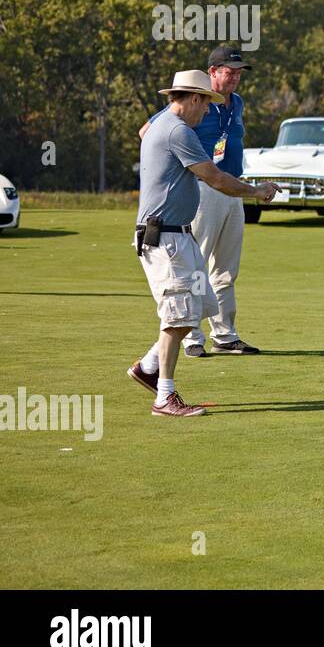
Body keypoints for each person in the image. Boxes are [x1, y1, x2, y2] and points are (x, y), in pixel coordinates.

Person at [127, 70, 279, 417]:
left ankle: (149, 366)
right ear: (193, 98)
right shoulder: (178, 130)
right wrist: (256, 191)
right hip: (164, 238)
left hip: (177, 234)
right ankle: (164, 397)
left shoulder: (169, 123)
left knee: (197, 306)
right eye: (205, 104)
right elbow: (214, 177)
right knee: (176, 316)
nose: (208, 112)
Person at [138, 46, 259, 358]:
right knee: (196, 264)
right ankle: (192, 336)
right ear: (212, 73)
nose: (234, 77)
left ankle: (225, 334)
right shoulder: (187, 106)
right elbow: (147, 132)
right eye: (228, 71)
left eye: (238, 72)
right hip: (204, 186)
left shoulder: (237, 103)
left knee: (226, 268)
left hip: (232, 187)